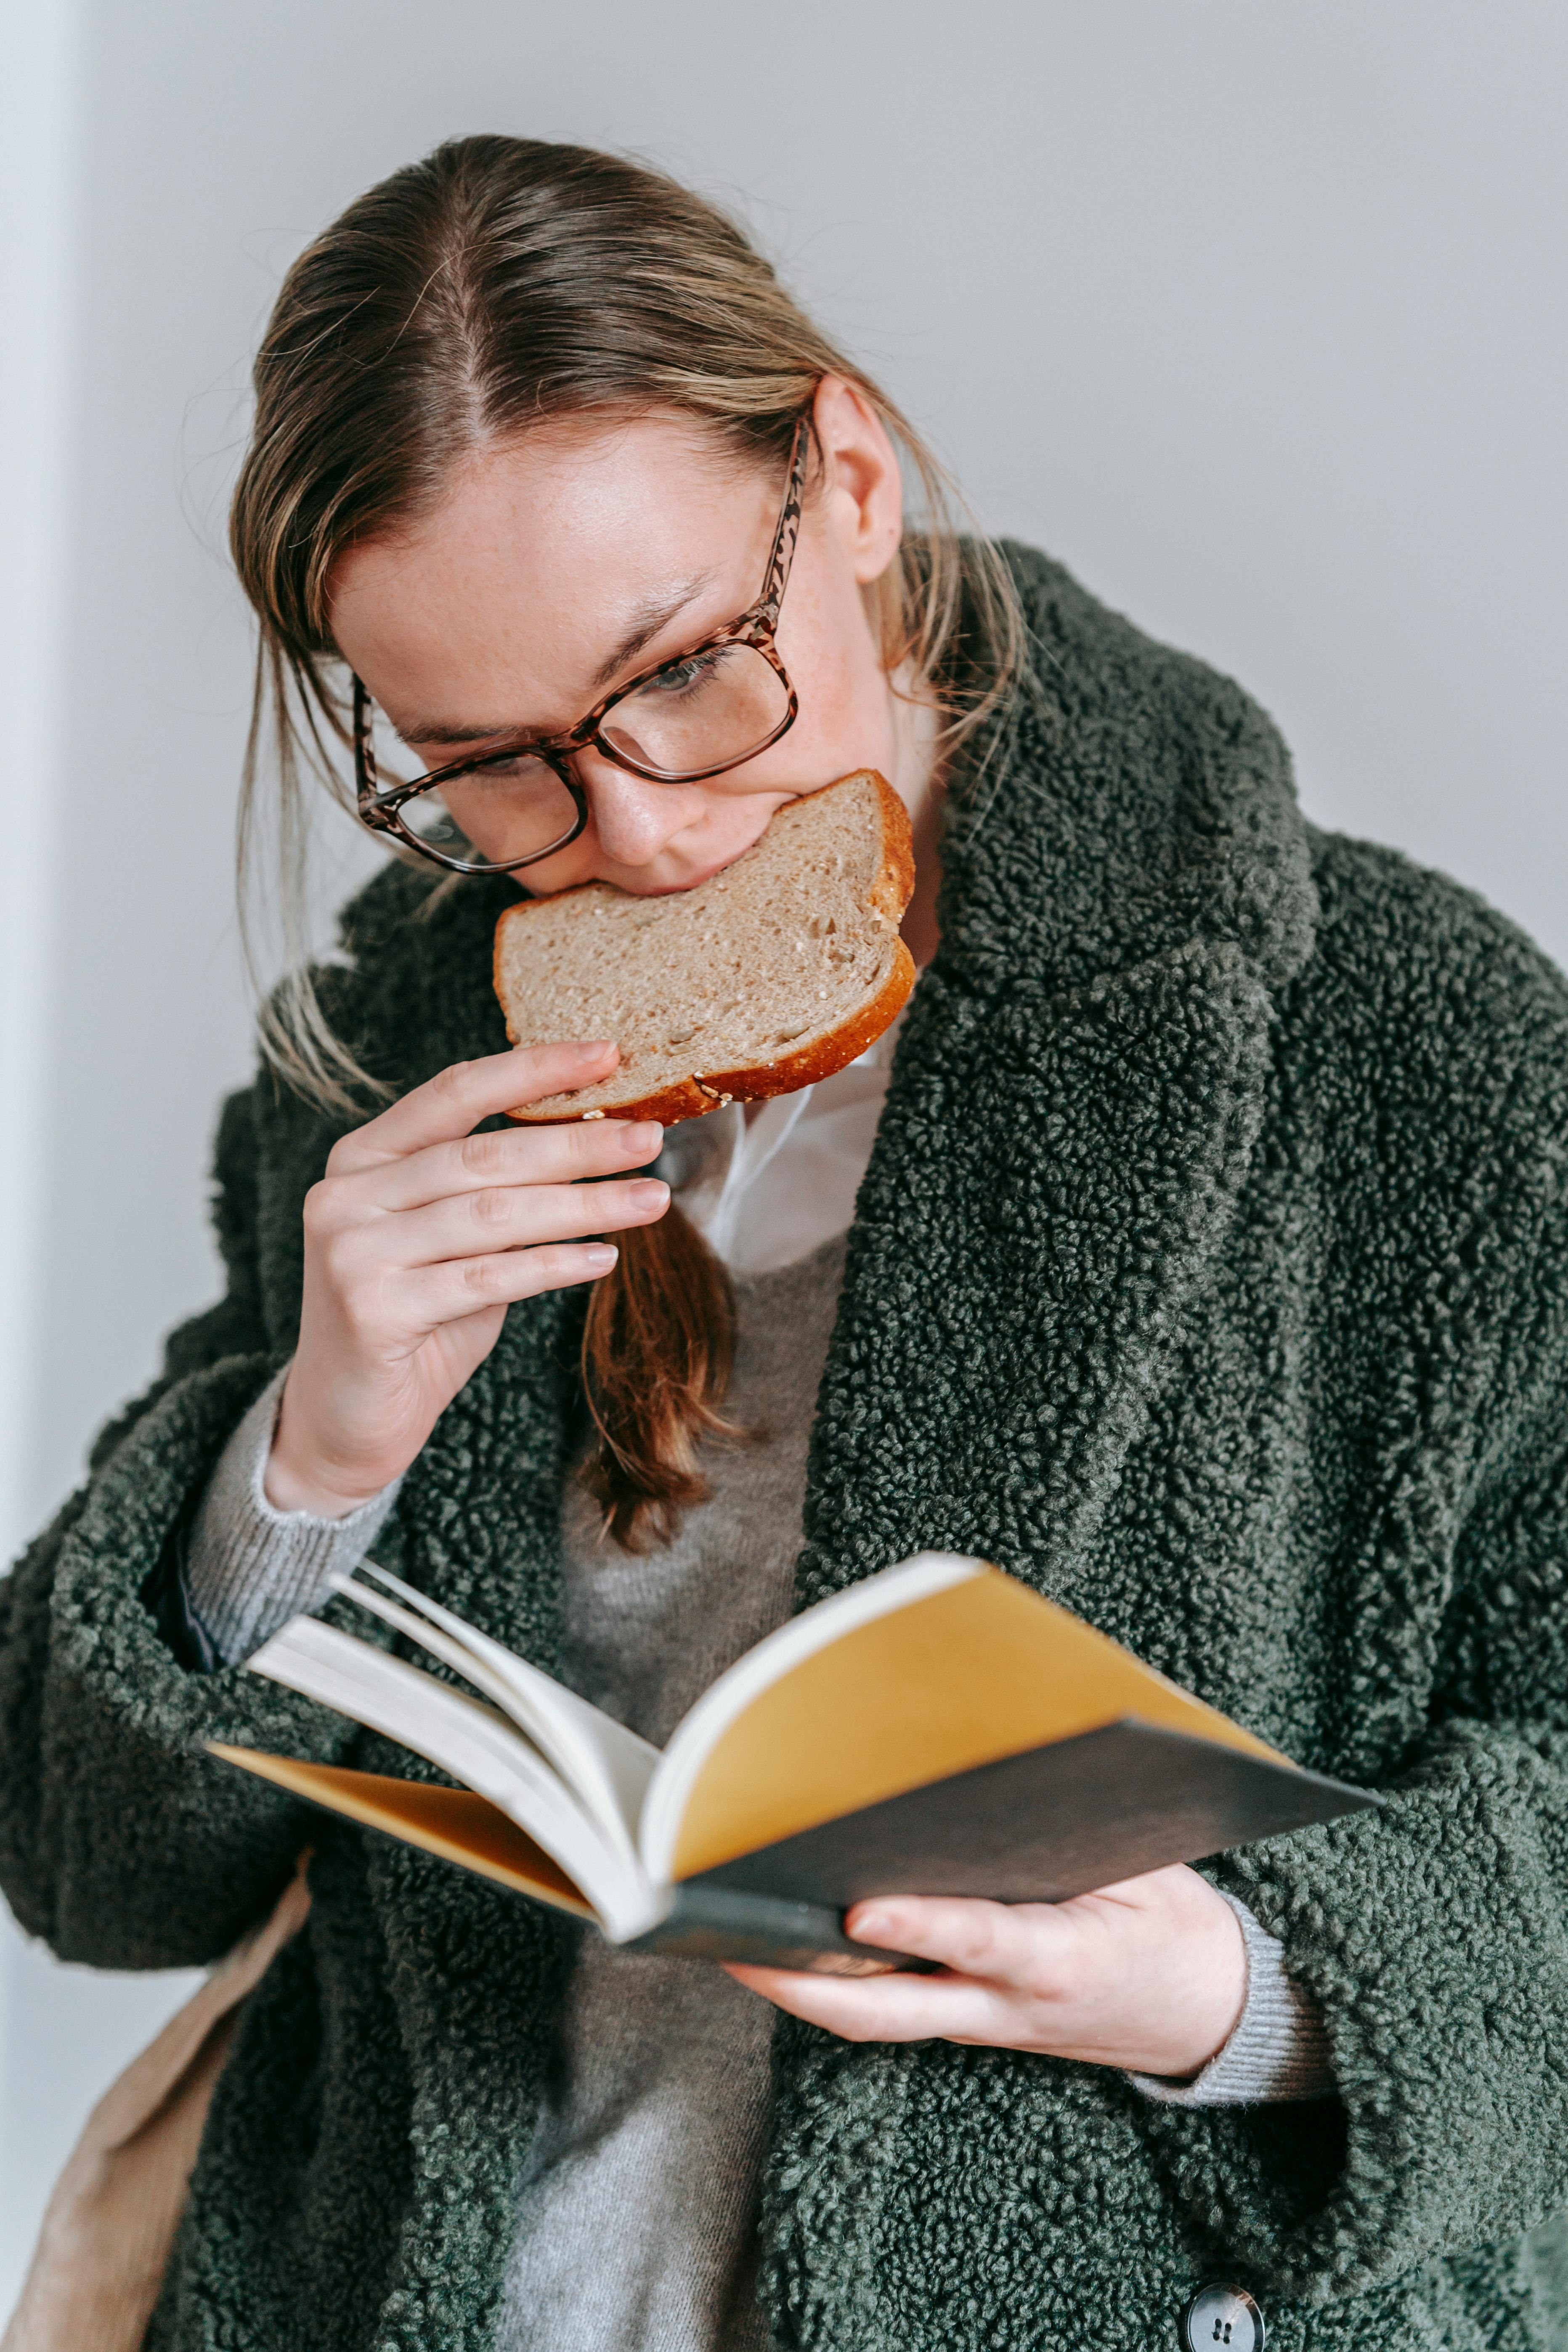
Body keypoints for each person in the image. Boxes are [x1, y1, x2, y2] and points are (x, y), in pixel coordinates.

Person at [2, 131, 1566, 2352]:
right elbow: (91, 1866)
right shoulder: (394, 1055)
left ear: (843, 482)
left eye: (686, 669)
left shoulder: (1417, 1059)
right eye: (492, 762)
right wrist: (303, 1456)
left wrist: (1220, 1984)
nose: (631, 830)